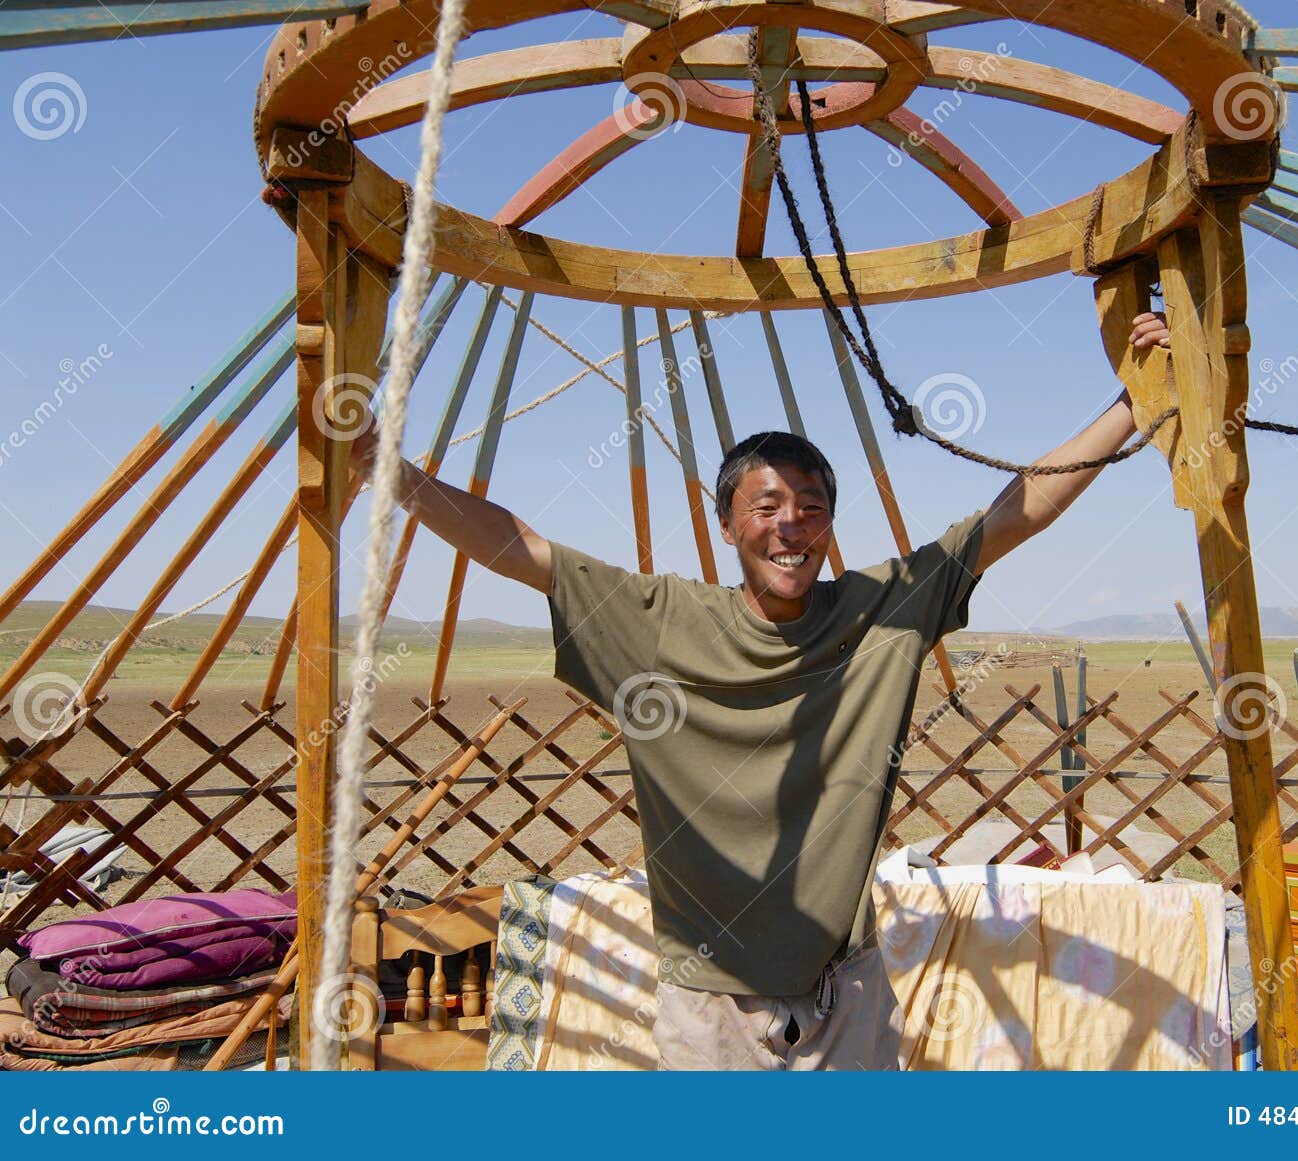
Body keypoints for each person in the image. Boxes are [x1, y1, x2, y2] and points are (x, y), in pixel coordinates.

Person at [352, 311, 1172, 1070]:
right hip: (708, 1006)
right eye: (767, 504)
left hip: (846, 991)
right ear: (728, 522)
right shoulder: (657, 621)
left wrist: (1131, 404)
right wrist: (388, 471)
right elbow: (519, 545)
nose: (791, 524)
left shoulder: (880, 610)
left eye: (812, 507)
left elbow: (1015, 513)